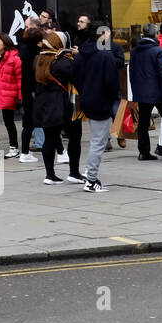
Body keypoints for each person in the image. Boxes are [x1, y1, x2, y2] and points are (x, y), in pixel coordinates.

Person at [73, 23, 120, 194]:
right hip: (101, 101)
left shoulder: (81, 54)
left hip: (86, 99)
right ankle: (91, 179)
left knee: (96, 139)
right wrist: (112, 96)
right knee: (98, 142)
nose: (108, 36)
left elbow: (76, 78)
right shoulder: (105, 55)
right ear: (101, 35)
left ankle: (90, 175)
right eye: (106, 33)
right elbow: (112, 82)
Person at [33, 31, 76, 184]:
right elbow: (76, 75)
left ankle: (49, 174)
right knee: (74, 137)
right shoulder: (62, 62)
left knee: (49, 139)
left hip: (42, 103)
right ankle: (74, 172)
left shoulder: (38, 59)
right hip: (60, 104)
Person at [128, 24, 162, 161]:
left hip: (141, 91)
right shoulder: (158, 51)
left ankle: (143, 152)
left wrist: (135, 92)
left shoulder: (135, 51)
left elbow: (131, 72)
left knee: (143, 122)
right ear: (155, 35)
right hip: (157, 91)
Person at [16, 20, 44, 162]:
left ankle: (25, 152)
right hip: (35, 90)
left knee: (28, 123)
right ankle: (61, 151)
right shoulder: (37, 53)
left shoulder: (24, 49)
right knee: (46, 121)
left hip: (27, 90)